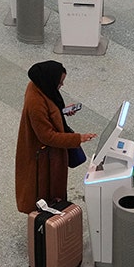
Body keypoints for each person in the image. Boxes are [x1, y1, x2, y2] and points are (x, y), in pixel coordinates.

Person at [14, 60, 96, 213]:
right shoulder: (35, 102)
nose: (62, 86)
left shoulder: (41, 86)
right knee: (44, 192)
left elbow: (50, 111)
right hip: (43, 159)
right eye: (60, 82)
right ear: (50, 80)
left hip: (49, 156)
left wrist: (62, 111)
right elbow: (47, 136)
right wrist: (78, 138)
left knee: (50, 192)